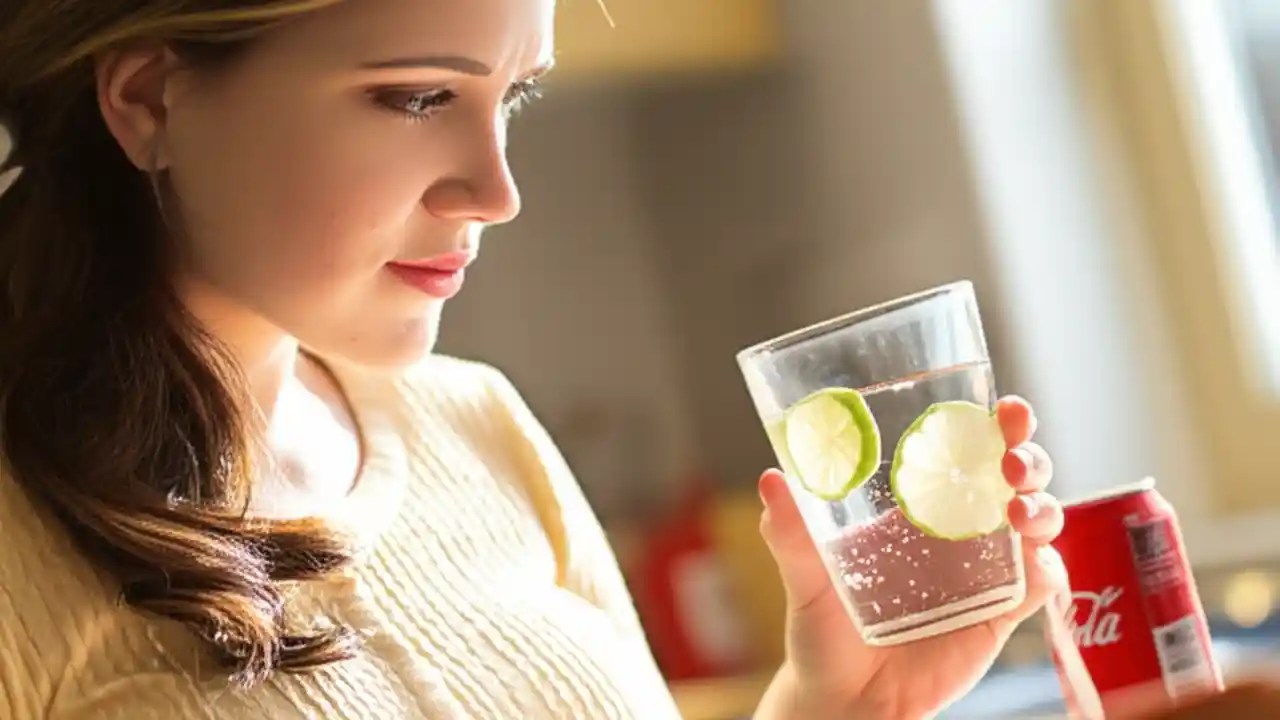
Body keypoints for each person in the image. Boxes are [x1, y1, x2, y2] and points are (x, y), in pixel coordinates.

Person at [0, 1, 1272, 719]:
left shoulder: (475, 427)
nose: (496, 190)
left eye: (517, 101)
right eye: (415, 96)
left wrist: (848, 704)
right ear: (149, 99)